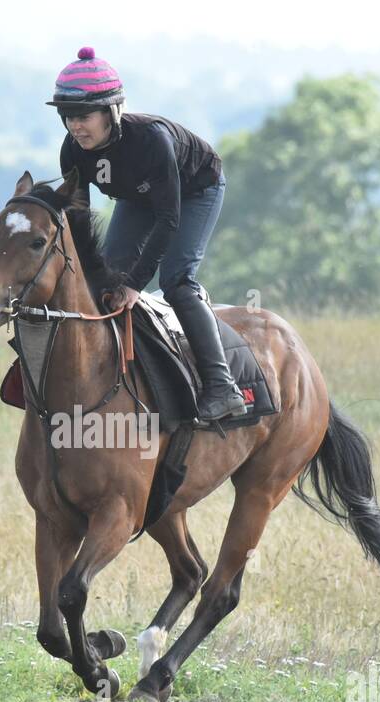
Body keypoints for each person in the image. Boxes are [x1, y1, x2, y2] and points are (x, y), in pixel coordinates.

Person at [50, 46, 247, 422]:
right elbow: (79, 221)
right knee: (106, 281)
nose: (76, 126)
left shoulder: (151, 140)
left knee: (176, 281)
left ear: (111, 112)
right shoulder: (71, 150)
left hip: (194, 191)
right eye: (68, 117)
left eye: (84, 116)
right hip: (138, 196)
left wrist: (136, 284)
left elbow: (168, 220)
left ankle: (223, 388)